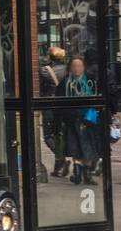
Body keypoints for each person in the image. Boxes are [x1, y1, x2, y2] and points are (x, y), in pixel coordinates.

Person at [57, 56, 100, 185]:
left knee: (87, 146)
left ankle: (86, 175)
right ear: (70, 67)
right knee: (75, 145)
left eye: (79, 66)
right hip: (72, 118)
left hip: (88, 119)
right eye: (74, 66)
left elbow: (97, 97)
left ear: (84, 67)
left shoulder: (91, 80)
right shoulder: (65, 82)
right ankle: (77, 173)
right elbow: (60, 101)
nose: (77, 69)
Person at [40, 46, 68, 176]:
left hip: (50, 106)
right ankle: (58, 166)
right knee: (59, 135)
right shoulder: (68, 70)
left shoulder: (47, 71)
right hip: (64, 106)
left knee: (48, 136)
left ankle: (61, 157)